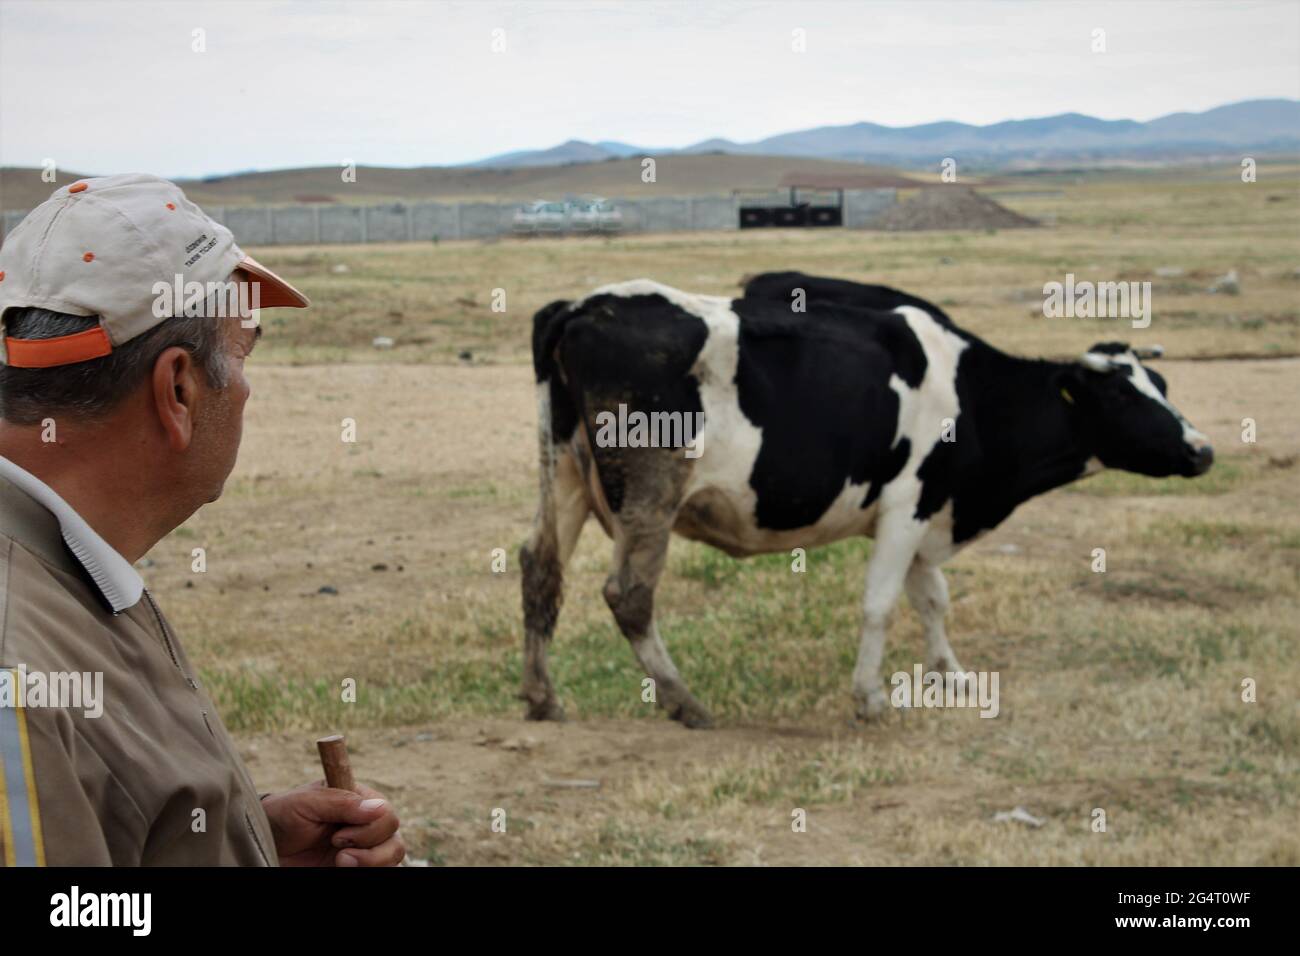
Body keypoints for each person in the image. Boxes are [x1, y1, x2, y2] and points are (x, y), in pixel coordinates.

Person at [0, 174, 403, 866]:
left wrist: (239, 841)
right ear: (179, 389)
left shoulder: (64, 572)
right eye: (243, 354)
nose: (245, 389)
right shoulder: (19, 680)